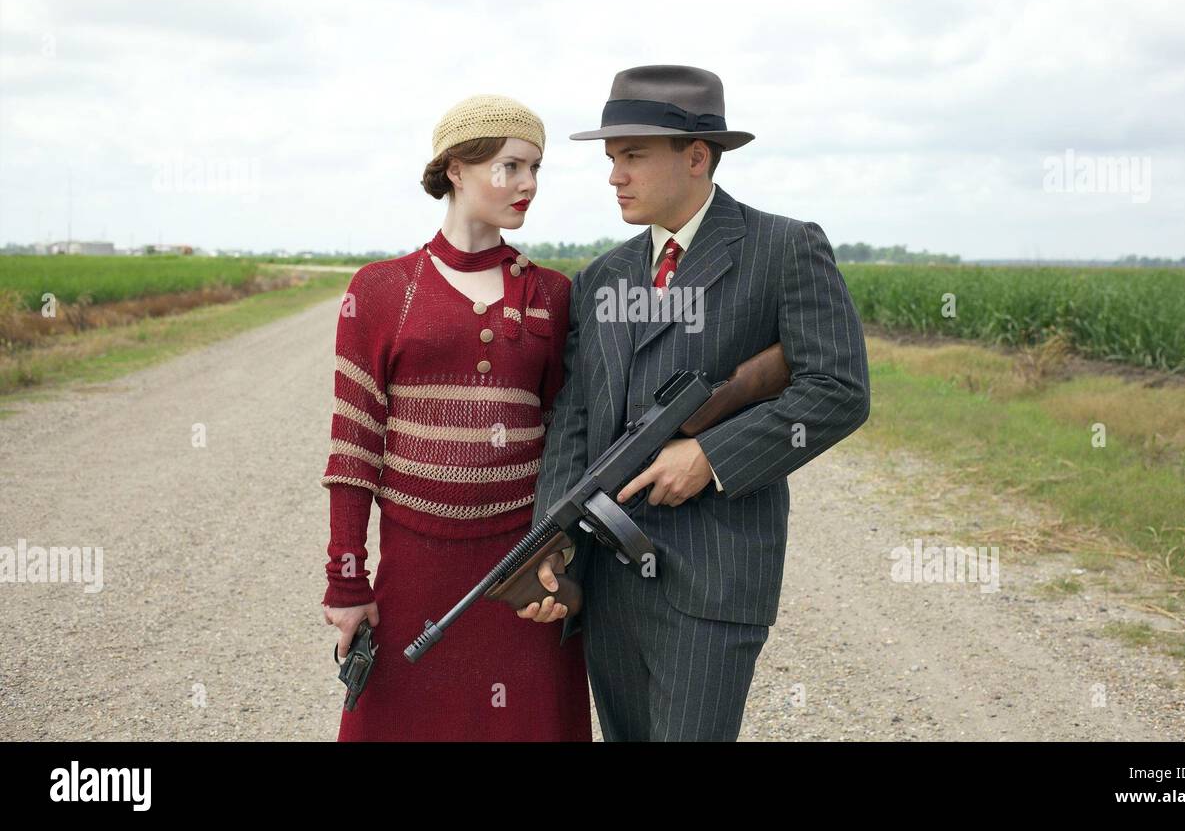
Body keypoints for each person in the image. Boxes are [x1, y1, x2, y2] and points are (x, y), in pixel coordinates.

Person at [515, 65, 870, 741]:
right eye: (612, 158)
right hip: (612, 585)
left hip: (712, 577)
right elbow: (576, 420)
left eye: (634, 156)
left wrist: (710, 455)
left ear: (697, 156)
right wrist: (550, 542)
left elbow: (838, 391)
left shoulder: (784, 249)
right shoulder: (601, 279)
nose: (615, 175)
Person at [320, 94, 590, 741]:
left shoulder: (552, 294)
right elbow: (353, 451)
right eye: (510, 166)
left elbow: (568, 446)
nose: (527, 184)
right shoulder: (382, 291)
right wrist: (347, 581)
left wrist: (563, 560)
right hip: (415, 572)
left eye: (536, 168)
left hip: (523, 570)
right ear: (456, 170)